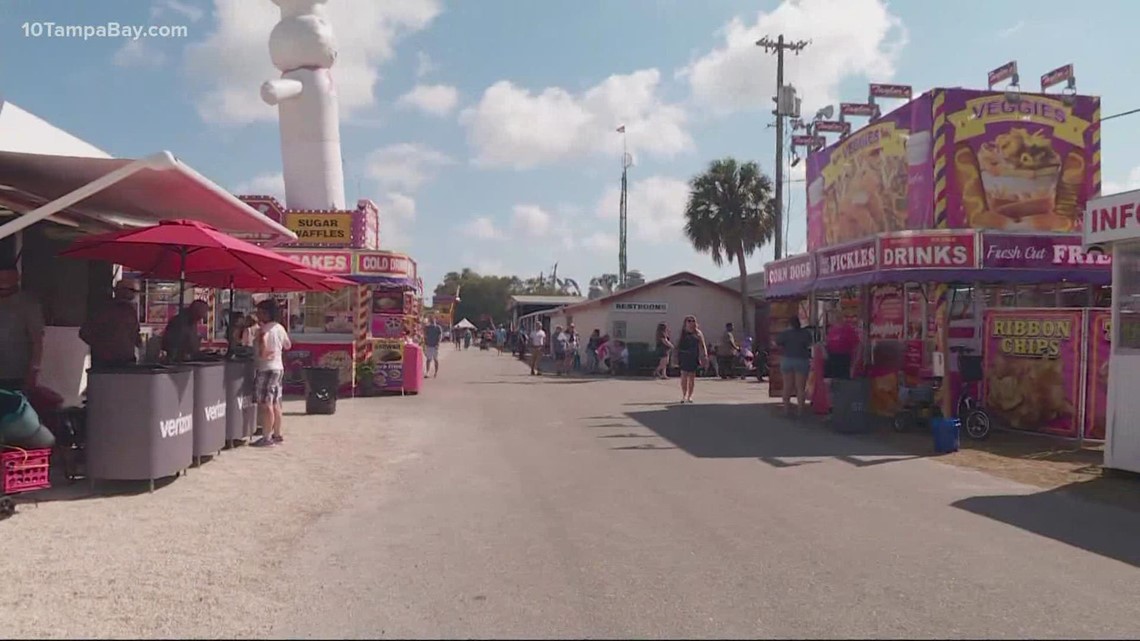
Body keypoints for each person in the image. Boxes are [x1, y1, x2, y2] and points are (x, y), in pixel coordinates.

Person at [252, 299, 291, 447]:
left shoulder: (263, 331)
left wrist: (264, 350)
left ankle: (266, 437)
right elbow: (288, 345)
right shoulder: (280, 328)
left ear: (266, 313)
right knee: (276, 402)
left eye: (260, 312)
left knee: (265, 403)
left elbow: (263, 353)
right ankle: (277, 434)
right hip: (278, 368)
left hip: (266, 368)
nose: (257, 315)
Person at [80, 278, 142, 369]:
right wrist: (104, 346)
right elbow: (85, 333)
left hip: (125, 362)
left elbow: (135, 335)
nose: (135, 294)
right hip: (106, 363)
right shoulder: (104, 310)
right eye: (132, 291)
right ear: (121, 291)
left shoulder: (130, 311)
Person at [0, 266, 44, 391]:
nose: (4, 282)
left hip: (17, 374)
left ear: (16, 278)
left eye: (7, 278)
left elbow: (37, 340)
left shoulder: (28, 303)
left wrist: (34, 370)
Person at [775, 316, 814, 417]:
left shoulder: (785, 333)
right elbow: (810, 344)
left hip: (788, 359)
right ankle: (800, 411)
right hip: (801, 360)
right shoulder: (805, 333)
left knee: (787, 386)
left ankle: (786, 410)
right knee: (800, 388)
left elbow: (778, 342)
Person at [676, 316, 709, 403]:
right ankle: (684, 395)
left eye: (693, 321)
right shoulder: (683, 333)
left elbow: (703, 345)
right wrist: (676, 357)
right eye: (689, 321)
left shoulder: (698, 333)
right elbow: (678, 345)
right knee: (683, 377)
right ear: (685, 322)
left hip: (694, 356)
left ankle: (690, 396)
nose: (691, 322)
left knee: (691, 377)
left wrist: (705, 355)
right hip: (684, 356)